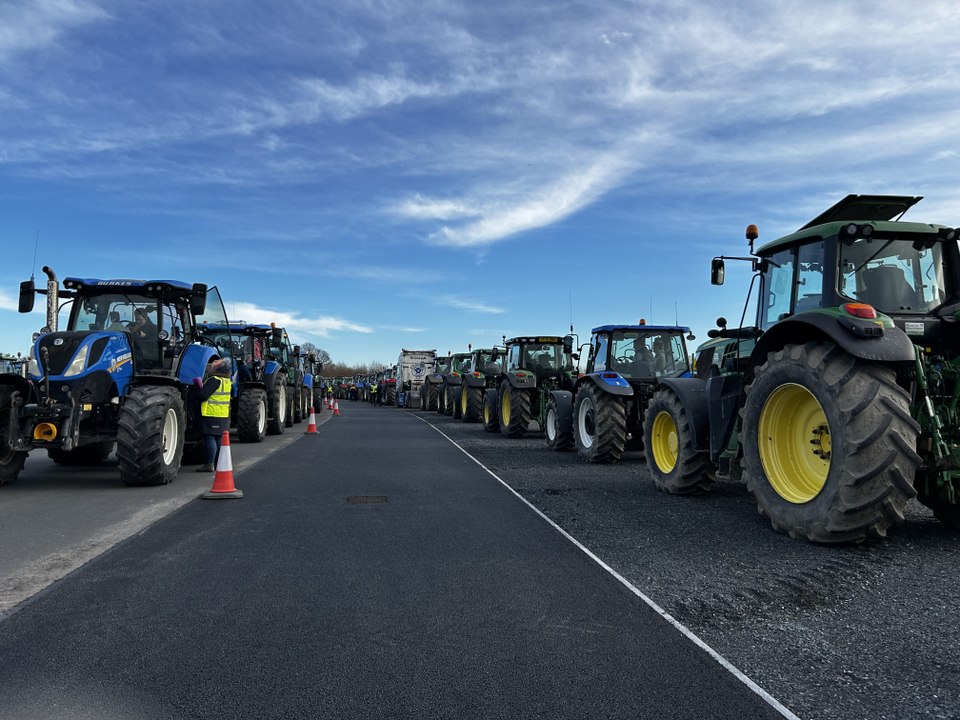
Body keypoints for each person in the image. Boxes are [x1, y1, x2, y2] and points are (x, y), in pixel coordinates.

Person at [193, 359, 232, 472]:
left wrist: (196, 392)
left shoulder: (214, 380)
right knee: (218, 438)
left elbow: (203, 395)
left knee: (209, 437)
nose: (212, 365)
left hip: (211, 413)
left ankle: (209, 464)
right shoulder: (226, 381)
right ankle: (217, 463)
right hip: (223, 414)